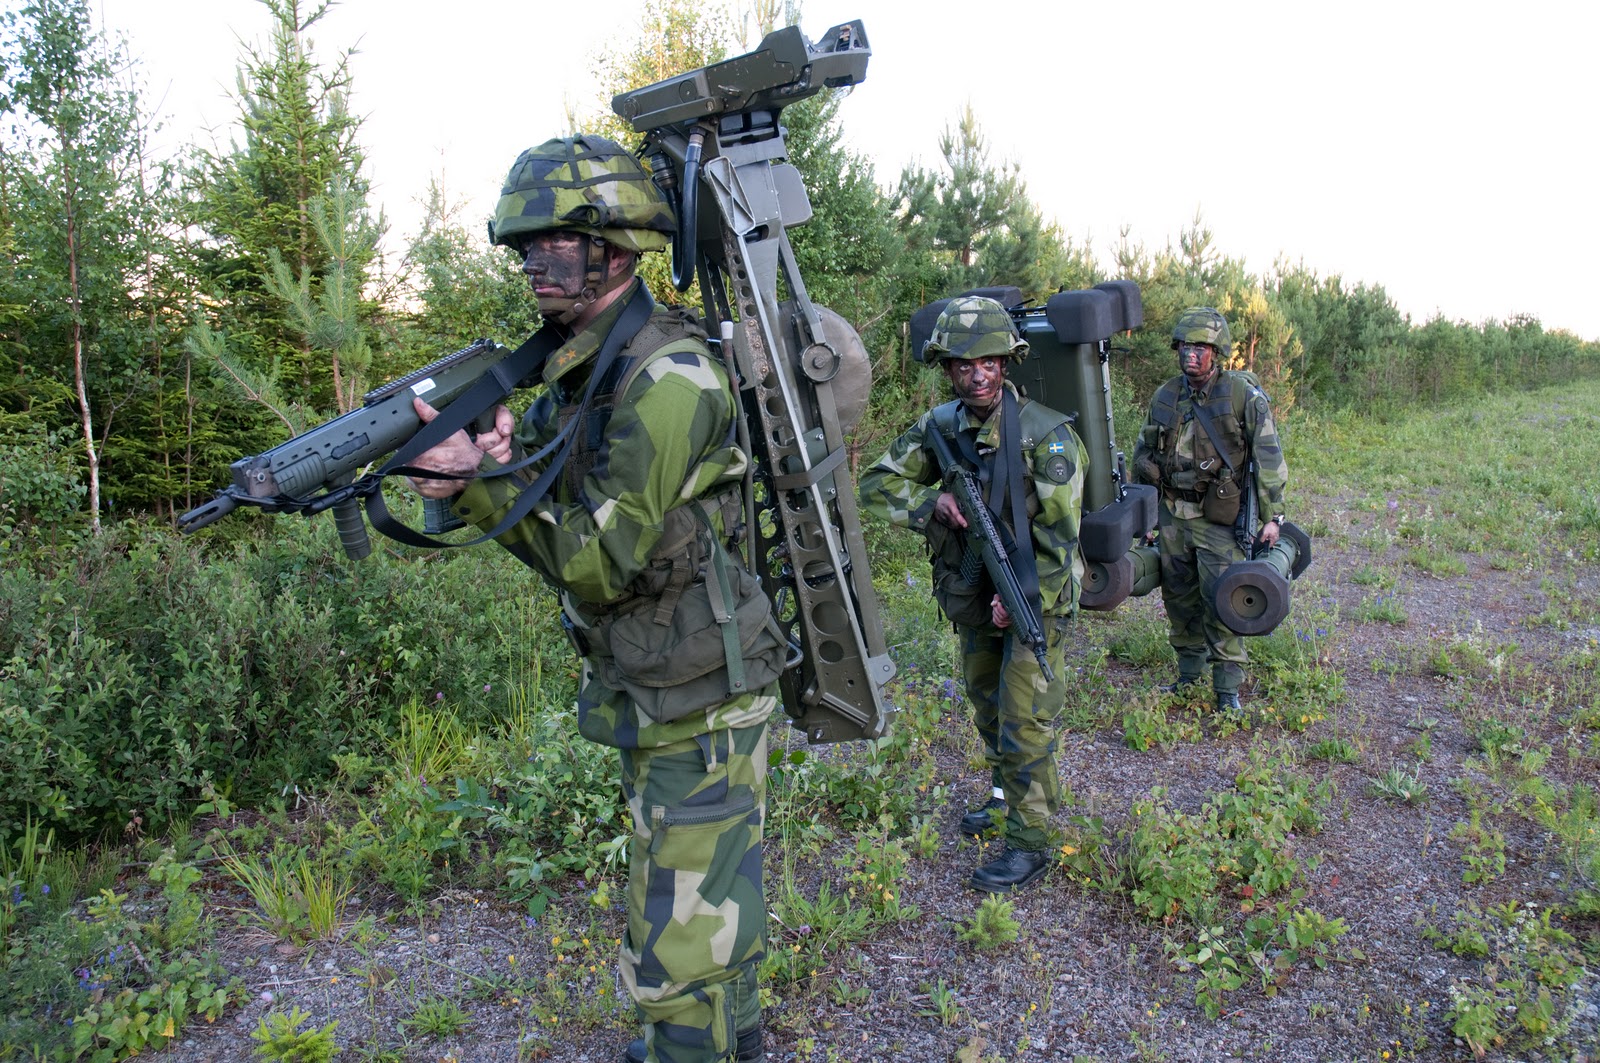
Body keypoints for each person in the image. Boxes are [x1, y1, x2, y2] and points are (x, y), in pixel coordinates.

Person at [406, 135, 780, 1063]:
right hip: (662, 676)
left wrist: (476, 485)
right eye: (526, 246)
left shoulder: (666, 379)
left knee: (679, 945)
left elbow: (598, 561)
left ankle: (695, 1044)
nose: (534, 261)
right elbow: (547, 484)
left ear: (614, 251)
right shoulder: (586, 365)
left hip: (700, 694)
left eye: (555, 242)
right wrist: (489, 463)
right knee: (707, 898)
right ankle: (729, 1038)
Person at [859, 296, 1087, 893]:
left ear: (1005, 364)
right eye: (964, 365)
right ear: (947, 369)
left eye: (988, 362)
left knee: (1024, 717)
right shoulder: (939, 428)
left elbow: (1063, 539)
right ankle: (1005, 796)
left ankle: (1031, 841)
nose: (977, 375)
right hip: (974, 588)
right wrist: (930, 501)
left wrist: (1023, 598)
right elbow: (875, 484)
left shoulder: (1047, 436)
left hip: (1036, 594)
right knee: (987, 702)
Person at [1131, 306, 1289, 715]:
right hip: (1172, 514)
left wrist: (1272, 517)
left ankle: (1227, 689)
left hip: (1218, 515)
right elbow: (1143, 455)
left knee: (1223, 598)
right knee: (1178, 598)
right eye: (1186, 346)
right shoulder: (1166, 395)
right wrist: (1144, 515)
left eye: (1201, 347)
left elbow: (1268, 456)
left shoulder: (1240, 396)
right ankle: (1188, 675)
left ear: (1216, 353)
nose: (1192, 354)